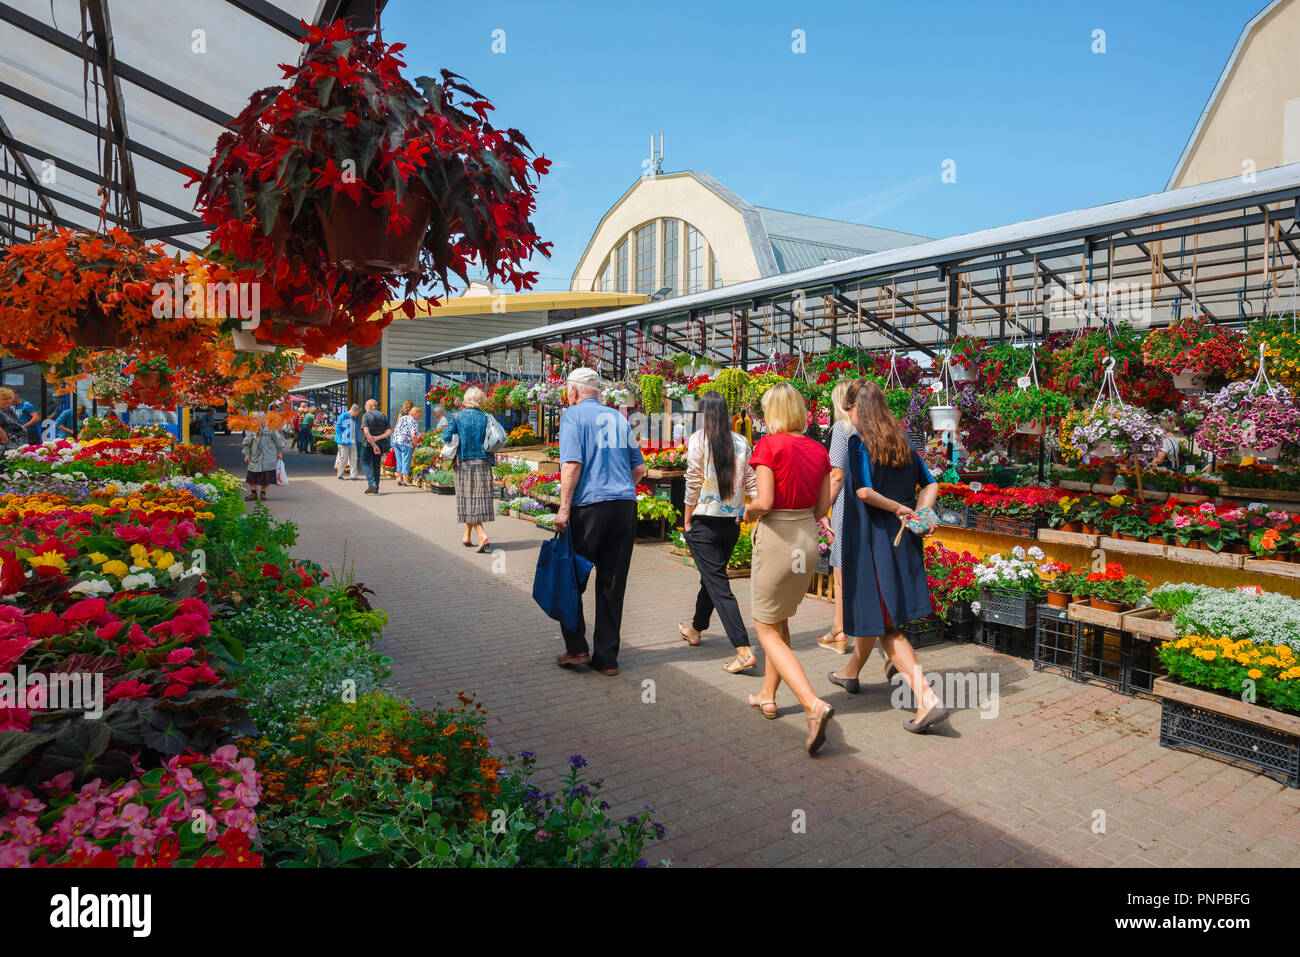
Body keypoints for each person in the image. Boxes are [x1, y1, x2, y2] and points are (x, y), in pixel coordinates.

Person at [827, 380, 948, 733]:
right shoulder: (902, 441)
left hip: (872, 543)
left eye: (848, 410)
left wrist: (899, 510)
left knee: (888, 627)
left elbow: (863, 490)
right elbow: (931, 483)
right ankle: (850, 672)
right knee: (874, 610)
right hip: (902, 543)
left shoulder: (857, 442)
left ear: (855, 409)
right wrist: (920, 514)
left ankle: (927, 700)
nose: (847, 415)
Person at [742, 382, 835, 756]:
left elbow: (763, 501)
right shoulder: (818, 449)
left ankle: (813, 705)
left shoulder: (769, 445)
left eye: (765, 411)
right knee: (779, 621)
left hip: (778, 536)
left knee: (764, 628)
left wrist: (748, 511)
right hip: (807, 538)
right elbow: (822, 507)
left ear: (773, 413)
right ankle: (768, 694)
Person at [553, 368, 645, 677]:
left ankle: (577, 648)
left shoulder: (573, 416)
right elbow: (640, 468)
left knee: (570, 580)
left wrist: (564, 509)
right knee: (612, 583)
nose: (567, 396)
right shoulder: (619, 418)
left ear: (575, 392)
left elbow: (572, 464)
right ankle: (607, 659)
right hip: (623, 508)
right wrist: (619, 488)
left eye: (567, 391)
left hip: (589, 508)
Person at [677, 391, 759, 674]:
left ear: (703, 413)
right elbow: (751, 482)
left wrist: (687, 520)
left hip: (705, 523)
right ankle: (696, 630)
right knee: (711, 579)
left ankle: (743, 649)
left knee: (718, 585)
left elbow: (693, 482)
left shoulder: (699, 440)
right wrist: (755, 510)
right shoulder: (741, 441)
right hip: (731, 525)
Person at [817, 380, 855, 655]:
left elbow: (837, 474)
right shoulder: (874, 429)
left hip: (846, 505)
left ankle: (839, 629)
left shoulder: (842, 429)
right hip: (870, 506)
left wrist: (822, 511)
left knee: (841, 569)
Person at [441, 389, 495, 549]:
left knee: (467, 500)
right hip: (484, 463)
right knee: (477, 500)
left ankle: (482, 535)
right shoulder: (486, 418)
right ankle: (466, 536)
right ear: (481, 401)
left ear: (466, 400)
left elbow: (446, 436)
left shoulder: (457, 416)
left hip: (464, 463)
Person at [240, 413, 285, 502]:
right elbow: (246, 442)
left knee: (266, 475)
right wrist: (246, 454)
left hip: (268, 456)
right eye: (253, 418)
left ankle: (263, 493)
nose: (253, 420)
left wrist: (280, 451)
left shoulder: (271, 428)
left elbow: (278, 440)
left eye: (256, 418)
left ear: (262, 419)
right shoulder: (251, 429)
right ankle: (253, 493)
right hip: (255, 456)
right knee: (252, 475)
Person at [360, 399, 392, 495]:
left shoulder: (366, 416)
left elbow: (366, 432)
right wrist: (378, 438)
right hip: (381, 443)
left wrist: (373, 443)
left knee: (364, 462)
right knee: (376, 465)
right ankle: (375, 488)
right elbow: (389, 432)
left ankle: (371, 483)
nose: (365, 409)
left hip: (368, 444)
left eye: (365, 406)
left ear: (369, 406)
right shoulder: (383, 416)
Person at [393, 400, 421, 486]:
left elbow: (395, 429)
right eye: (419, 414)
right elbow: (413, 435)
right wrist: (415, 445)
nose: (419, 416)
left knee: (399, 460)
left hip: (396, 441)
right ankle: (406, 481)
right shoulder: (414, 421)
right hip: (406, 443)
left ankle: (400, 479)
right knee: (406, 461)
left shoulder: (402, 417)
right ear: (414, 413)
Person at [0, 389, 29, 458]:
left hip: (17, 451)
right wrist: (3, 435)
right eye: (4, 399)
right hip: (6, 453)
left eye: (10, 398)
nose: (9, 401)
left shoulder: (8, 410)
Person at [335, 404, 360, 480]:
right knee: (344, 458)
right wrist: (342, 436)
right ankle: (340, 475)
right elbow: (337, 427)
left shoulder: (354, 418)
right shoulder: (344, 415)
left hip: (353, 441)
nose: (358, 414)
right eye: (357, 412)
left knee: (354, 458)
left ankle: (353, 476)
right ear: (353, 410)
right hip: (344, 441)